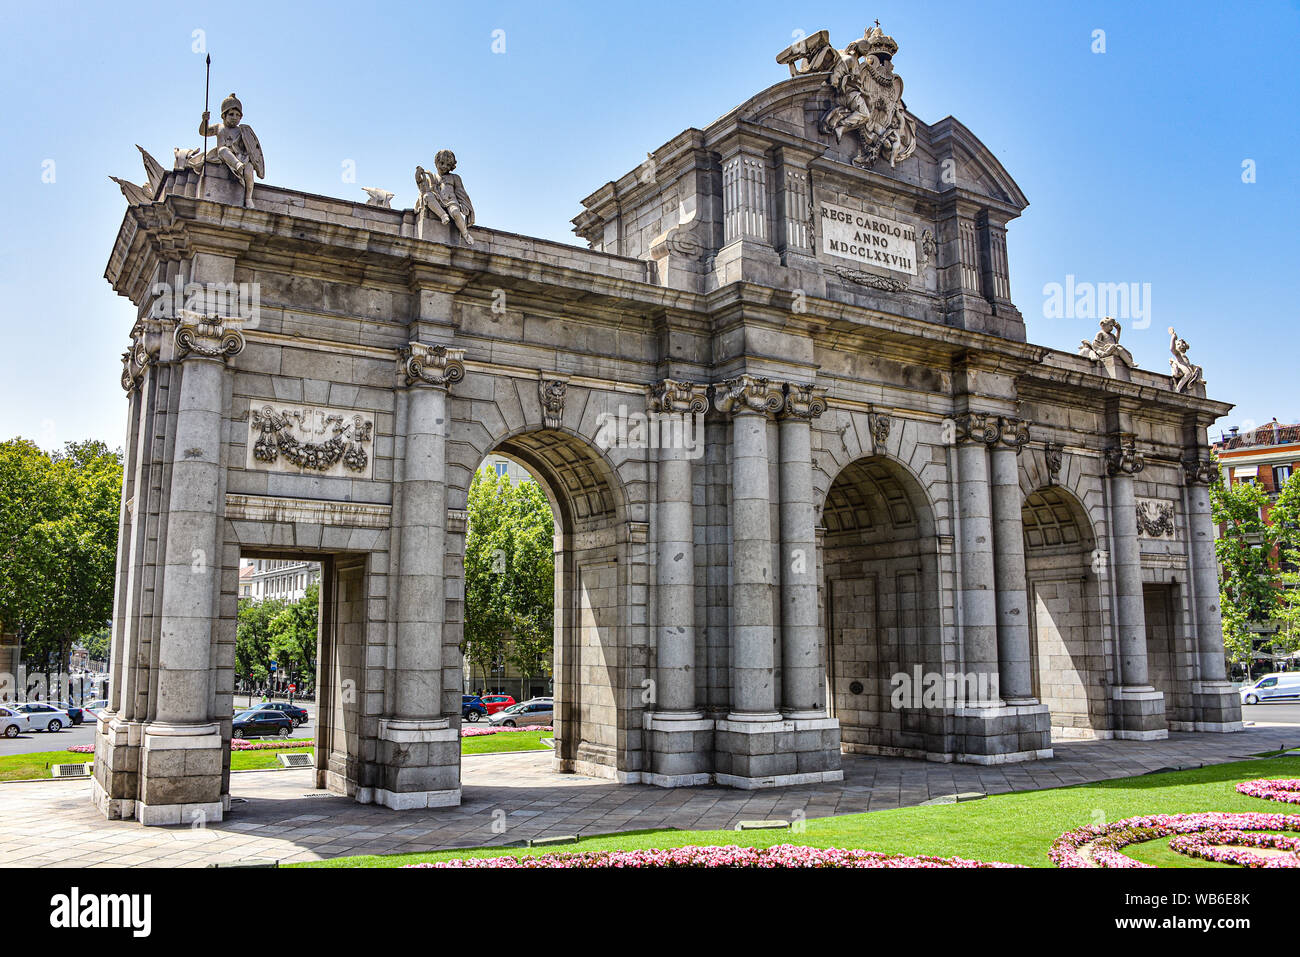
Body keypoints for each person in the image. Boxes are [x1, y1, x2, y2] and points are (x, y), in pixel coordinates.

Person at [187, 93, 264, 209]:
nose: (235, 117)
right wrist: (205, 121)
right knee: (223, 150)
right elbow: (204, 132)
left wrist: (248, 159)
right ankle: (238, 166)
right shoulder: (219, 127)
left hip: (240, 157)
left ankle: (248, 198)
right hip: (223, 156)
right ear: (224, 115)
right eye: (231, 114)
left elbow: (250, 148)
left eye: (238, 115)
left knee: (249, 169)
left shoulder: (242, 131)